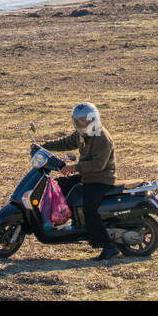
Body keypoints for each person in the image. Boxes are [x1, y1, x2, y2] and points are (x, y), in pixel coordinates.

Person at [42, 102, 118, 261]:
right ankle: (69, 222)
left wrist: (74, 167)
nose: (81, 123)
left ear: (93, 119)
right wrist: (43, 147)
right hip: (87, 176)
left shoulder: (102, 137)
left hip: (101, 179)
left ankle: (108, 246)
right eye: (78, 121)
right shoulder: (81, 134)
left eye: (84, 120)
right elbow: (65, 142)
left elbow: (99, 165)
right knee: (60, 185)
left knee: (90, 209)